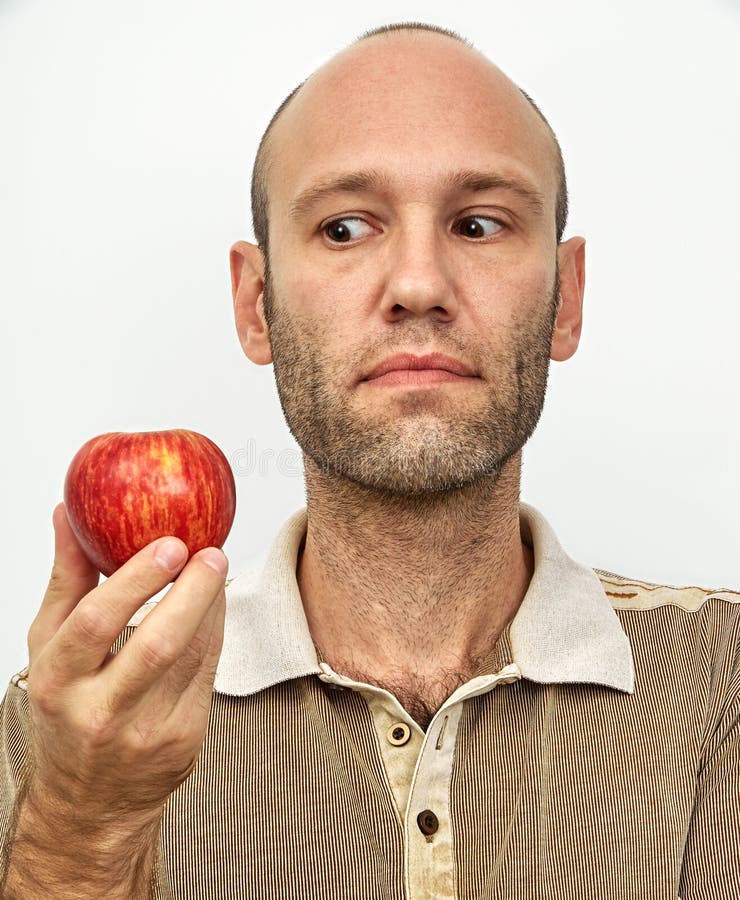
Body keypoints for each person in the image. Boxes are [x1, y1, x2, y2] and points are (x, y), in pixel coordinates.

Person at [1, 20, 738, 900]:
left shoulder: (724, 683)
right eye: (346, 227)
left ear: (566, 299)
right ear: (257, 306)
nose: (418, 284)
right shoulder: (72, 728)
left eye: (478, 222)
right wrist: (84, 834)